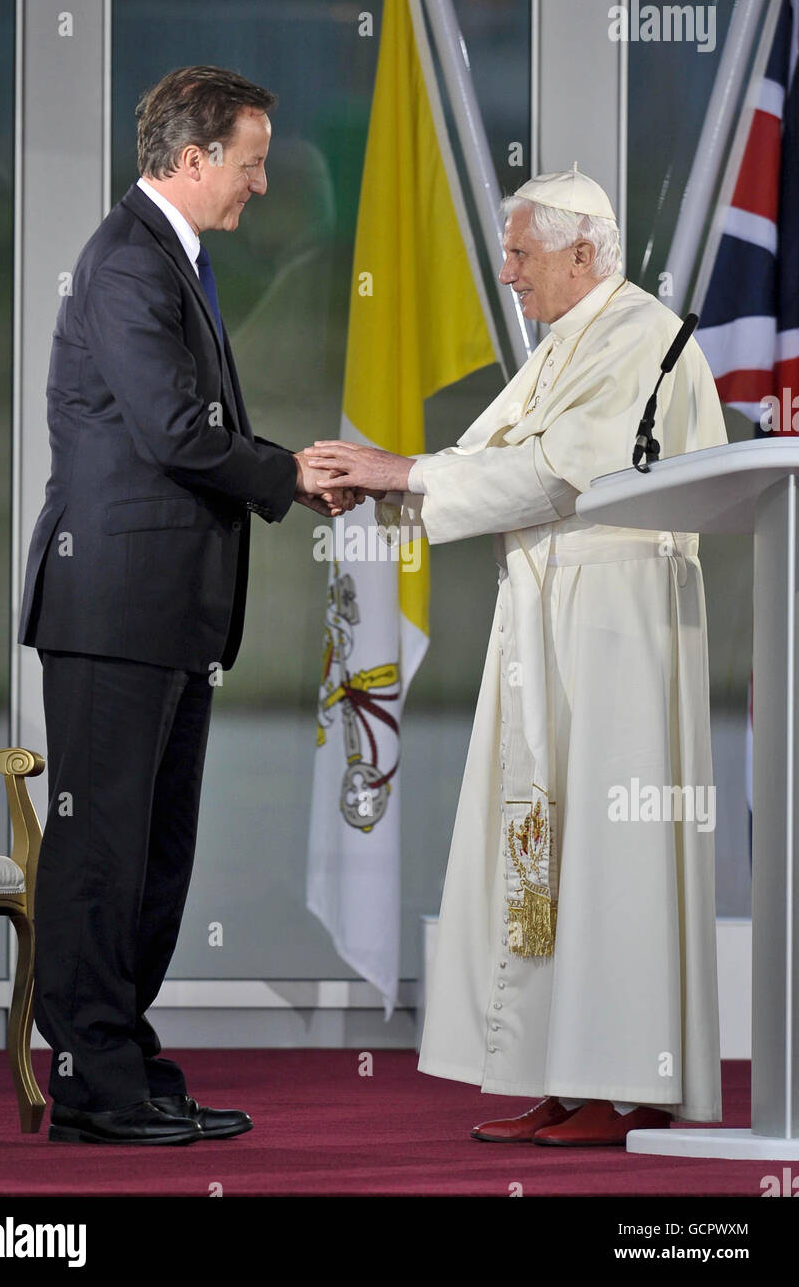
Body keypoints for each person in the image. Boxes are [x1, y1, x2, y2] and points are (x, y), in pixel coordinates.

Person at [307, 166, 727, 1146]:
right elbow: (480, 468)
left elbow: (547, 476)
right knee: (549, 852)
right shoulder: (564, 346)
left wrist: (398, 475)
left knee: (611, 856)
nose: (506, 274)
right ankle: (563, 1070)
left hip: (618, 631)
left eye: (519, 254)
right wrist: (383, 491)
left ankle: (632, 1077)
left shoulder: (641, 339)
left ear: (584, 252)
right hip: (550, 619)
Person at [18, 65, 358, 1146]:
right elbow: (173, 429)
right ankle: (91, 1083)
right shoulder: (128, 262)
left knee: (153, 855)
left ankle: (125, 1054)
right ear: (195, 157)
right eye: (252, 161)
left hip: (164, 617)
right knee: (102, 853)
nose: (262, 182)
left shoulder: (174, 258)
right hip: (112, 611)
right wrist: (288, 474)